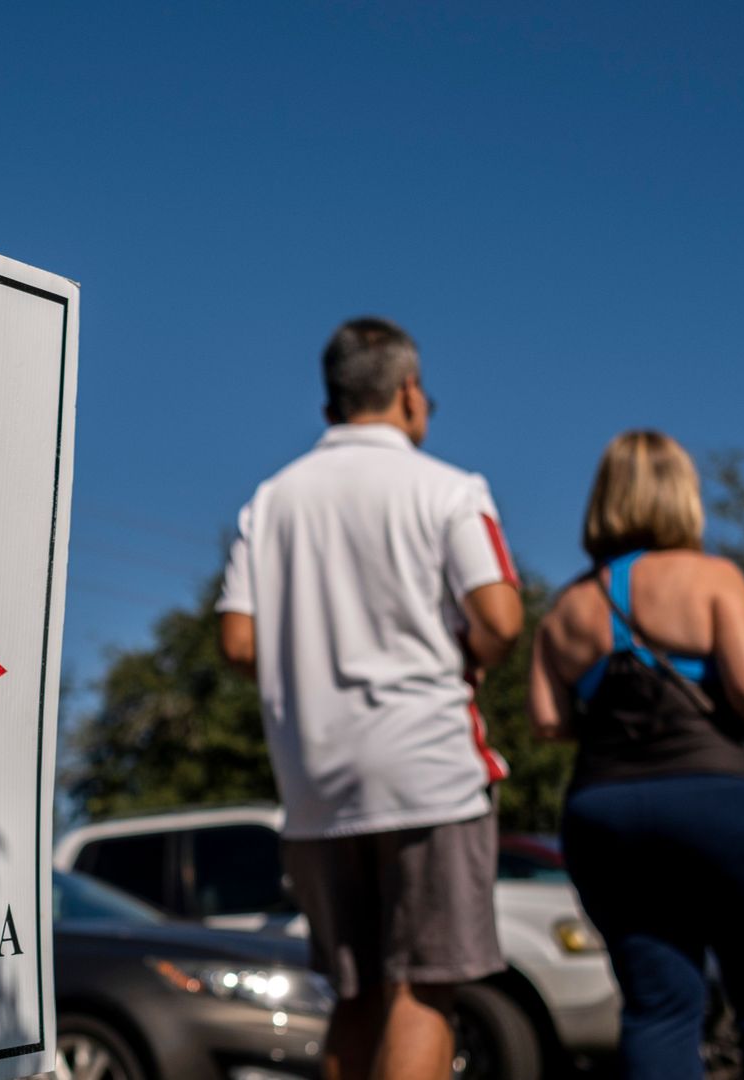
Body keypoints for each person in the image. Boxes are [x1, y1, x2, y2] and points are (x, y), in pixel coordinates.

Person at [216, 316, 525, 1080]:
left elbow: (237, 642)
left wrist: (310, 665)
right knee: (423, 989)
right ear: (410, 392)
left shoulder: (272, 499)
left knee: (354, 997)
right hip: (427, 769)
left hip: (315, 780)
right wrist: (469, 656)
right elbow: (500, 618)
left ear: (332, 403)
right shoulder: (449, 488)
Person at [529, 429, 744, 1080]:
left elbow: (547, 721)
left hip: (604, 809)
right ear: (682, 495)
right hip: (720, 800)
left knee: (658, 1005)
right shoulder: (713, 578)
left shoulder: (566, 606)